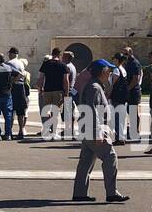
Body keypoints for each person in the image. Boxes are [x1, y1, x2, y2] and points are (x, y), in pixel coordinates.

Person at [72, 60, 129, 203]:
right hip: (94, 129)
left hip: (88, 128)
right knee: (110, 158)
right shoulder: (95, 87)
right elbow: (92, 110)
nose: (110, 74)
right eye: (109, 71)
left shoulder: (93, 85)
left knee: (86, 162)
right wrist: (98, 131)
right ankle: (111, 193)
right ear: (103, 72)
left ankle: (79, 193)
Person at [39, 48, 71, 140]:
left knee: (46, 111)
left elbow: (41, 78)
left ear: (52, 54)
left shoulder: (46, 64)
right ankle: (54, 132)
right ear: (59, 55)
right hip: (58, 91)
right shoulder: (63, 65)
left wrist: (40, 89)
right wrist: (66, 93)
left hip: (47, 91)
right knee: (55, 112)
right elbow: (66, 81)